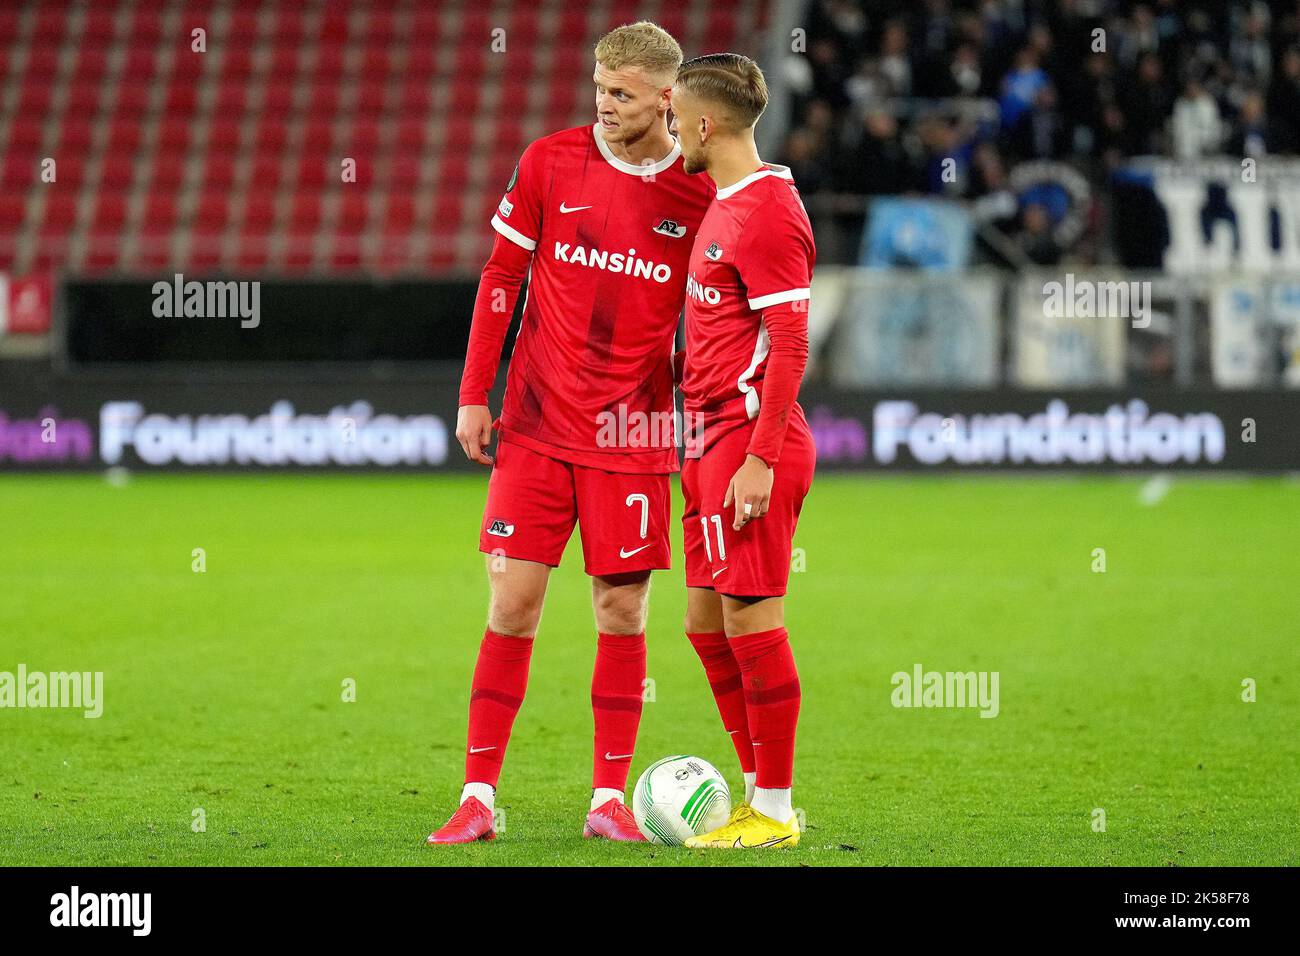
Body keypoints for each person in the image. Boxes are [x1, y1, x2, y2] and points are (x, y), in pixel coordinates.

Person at [427, 22, 713, 845]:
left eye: (621, 93)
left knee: (621, 611)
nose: (604, 104)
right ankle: (478, 795)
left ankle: (608, 800)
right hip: (540, 423)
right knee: (512, 604)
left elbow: (718, 312)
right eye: (598, 87)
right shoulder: (550, 161)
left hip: (633, 430)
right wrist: (474, 392)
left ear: (667, 97)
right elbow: (501, 277)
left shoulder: (698, 191)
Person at [668, 53, 817, 849]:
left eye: (673, 118)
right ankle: (759, 794)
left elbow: (791, 345)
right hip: (707, 440)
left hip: (750, 441)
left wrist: (759, 457)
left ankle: (777, 809)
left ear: (703, 124)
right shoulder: (726, 200)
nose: (668, 133)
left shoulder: (766, 213)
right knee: (703, 623)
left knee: (752, 617)